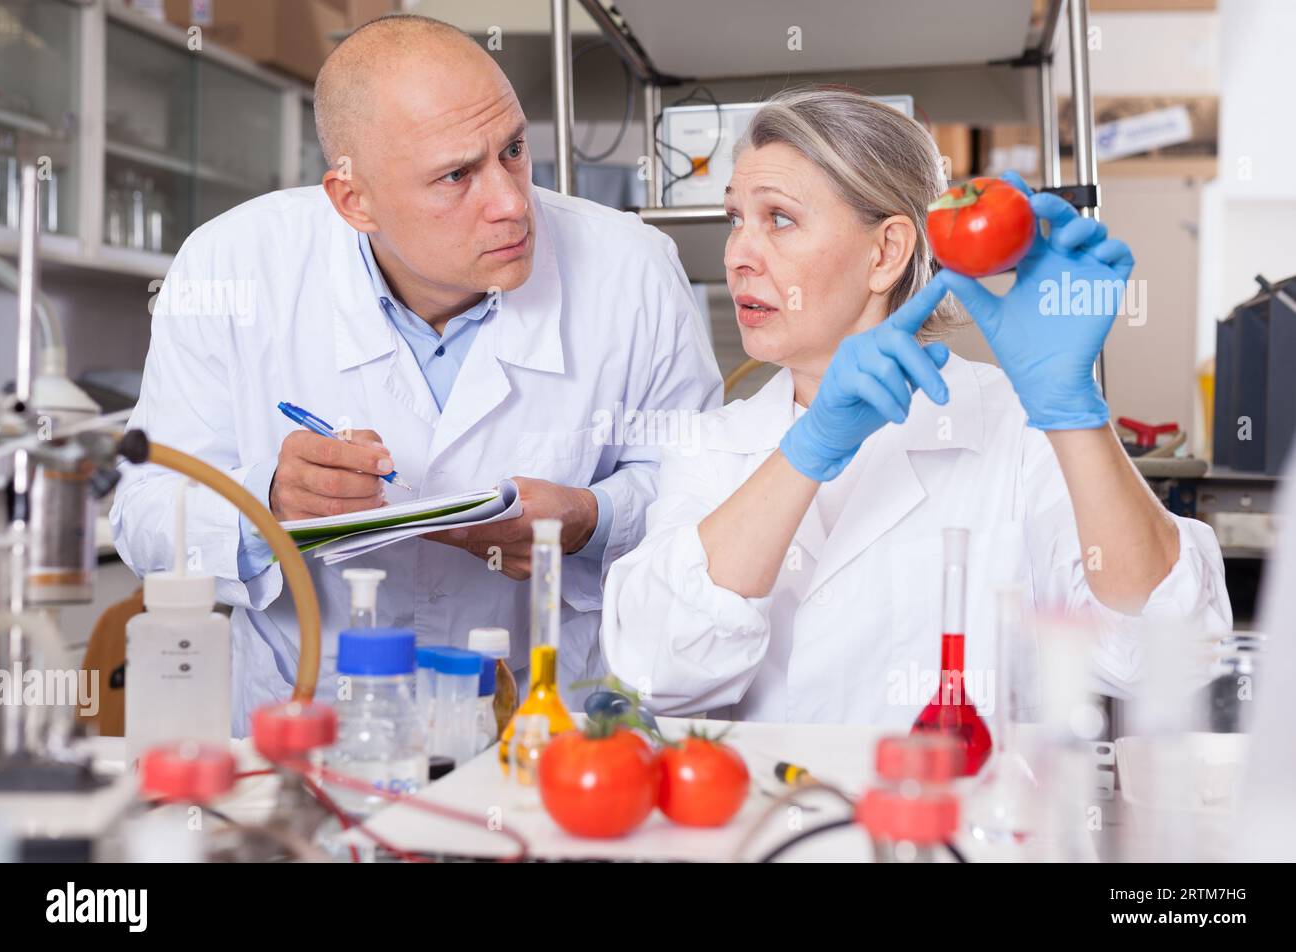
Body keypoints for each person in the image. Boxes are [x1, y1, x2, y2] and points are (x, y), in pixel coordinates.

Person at [110, 15, 721, 734]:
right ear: (354, 201)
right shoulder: (231, 267)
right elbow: (144, 512)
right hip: (308, 726)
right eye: (456, 175)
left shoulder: (634, 269)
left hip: (550, 728)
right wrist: (268, 502)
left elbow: (703, 494)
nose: (511, 202)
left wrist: (591, 518)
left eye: (514, 150)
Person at [601, 87, 1232, 724]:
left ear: (887, 252)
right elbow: (650, 672)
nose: (737, 255)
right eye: (736, 218)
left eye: (779, 219)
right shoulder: (712, 446)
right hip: (780, 818)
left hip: (968, 818)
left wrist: (1074, 412)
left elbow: (1165, 651)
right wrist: (809, 449)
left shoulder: (1014, 431)